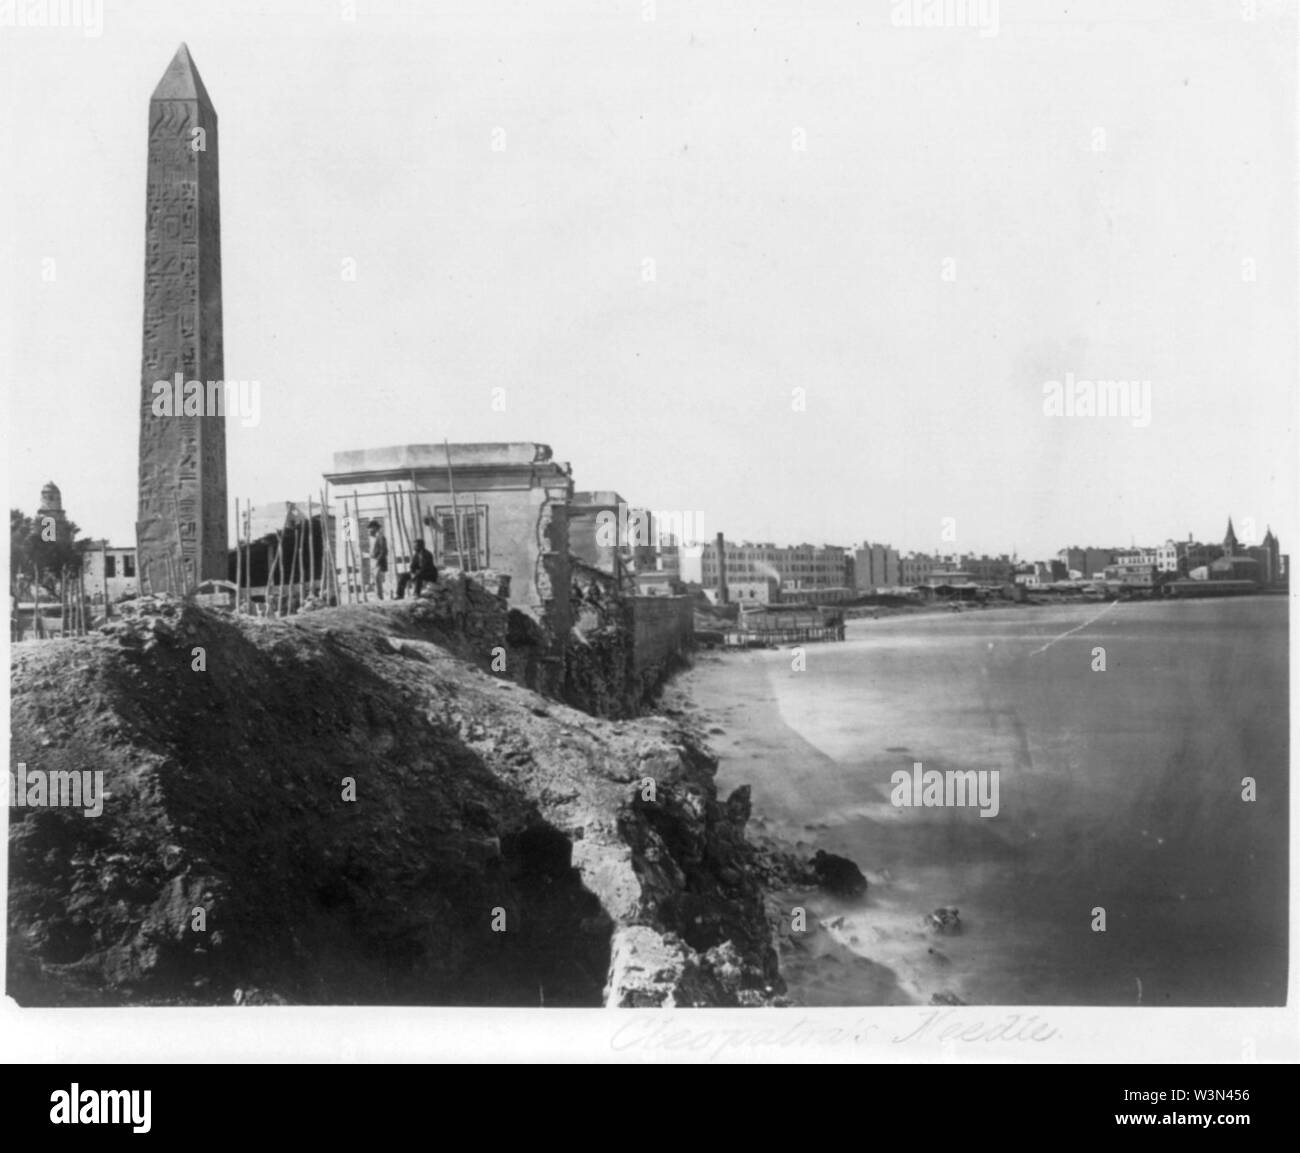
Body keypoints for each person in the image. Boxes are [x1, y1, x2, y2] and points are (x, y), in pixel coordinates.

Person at [367, 520, 388, 599]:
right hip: (374, 560)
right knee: (375, 579)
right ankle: (379, 596)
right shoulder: (375, 538)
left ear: (375, 528)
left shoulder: (381, 537)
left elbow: (384, 551)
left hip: (379, 561)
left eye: (370, 529)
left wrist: (378, 561)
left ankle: (380, 597)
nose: (369, 531)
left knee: (377, 578)